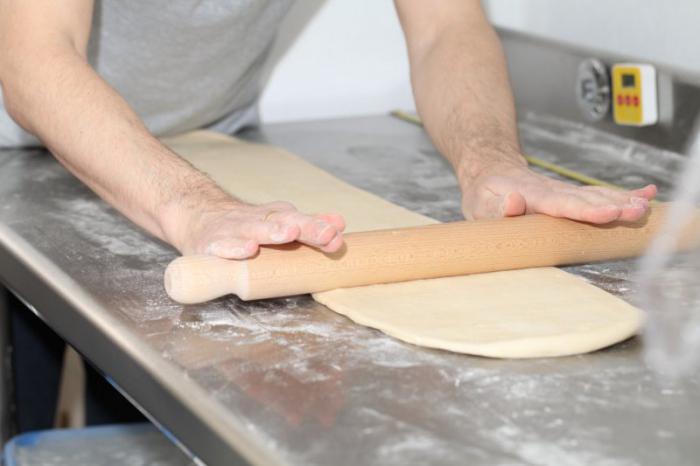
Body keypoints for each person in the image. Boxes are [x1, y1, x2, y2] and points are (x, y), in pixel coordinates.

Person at [0, 0, 655, 430]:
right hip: (14, 142)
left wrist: (492, 166)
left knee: (166, 412)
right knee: (25, 404)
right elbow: (34, 56)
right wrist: (194, 205)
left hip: (202, 140)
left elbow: (445, 27)